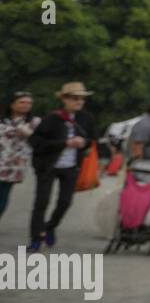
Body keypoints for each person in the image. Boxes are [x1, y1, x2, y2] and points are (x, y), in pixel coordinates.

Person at [27, 82, 97, 251]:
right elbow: (35, 141)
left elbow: (91, 139)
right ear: (64, 99)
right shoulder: (52, 118)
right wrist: (64, 143)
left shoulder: (86, 118)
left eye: (82, 99)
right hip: (49, 165)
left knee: (65, 202)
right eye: (75, 98)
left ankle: (49, 226)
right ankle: (36, 237)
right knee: (41, 202)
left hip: (71, 166)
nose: (79, 102)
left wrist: (83, 143)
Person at [0, 91, 38, 222]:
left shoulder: (34, 122)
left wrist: (28, 133)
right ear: (12, 104)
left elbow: (39, 139)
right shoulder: (3, 121)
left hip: (13, 165)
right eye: (22, 102)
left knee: (3, 194)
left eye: (29, 103)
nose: (26, 105)